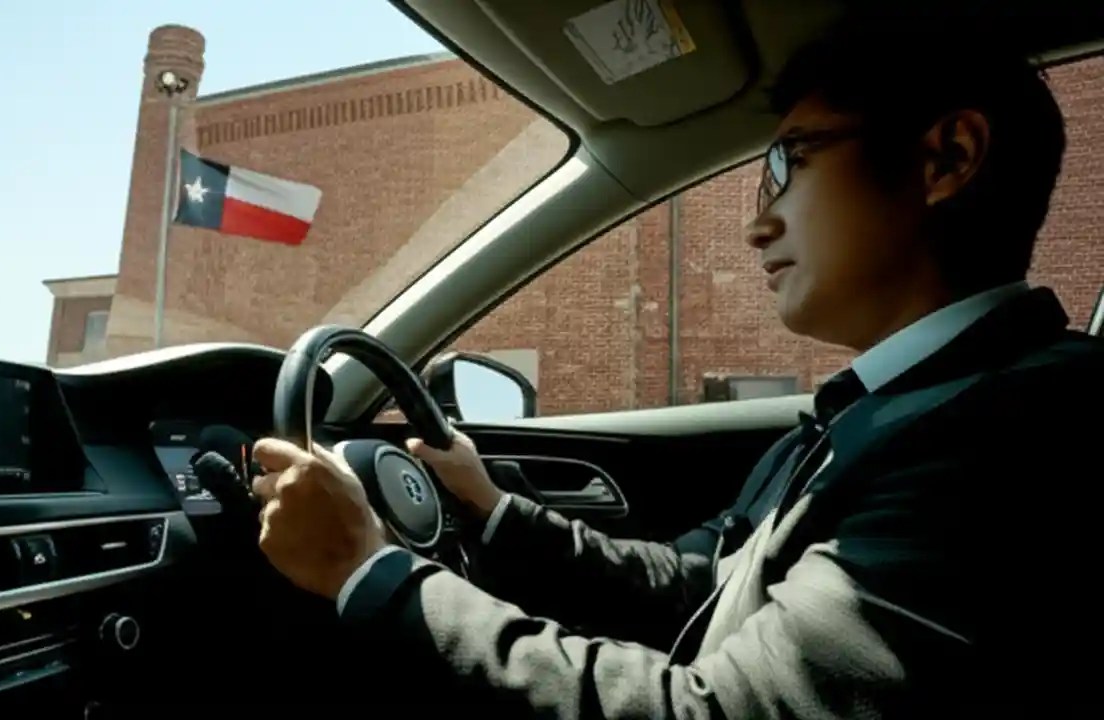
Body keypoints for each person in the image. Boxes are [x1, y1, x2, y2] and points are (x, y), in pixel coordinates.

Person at [250, 11, 1104, 718]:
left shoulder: (1019, 428)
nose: (757, 224)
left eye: (788, 163)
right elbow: (696, 586)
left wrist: (371, 574)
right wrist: (493, 505)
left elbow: (720, 712)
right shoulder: (880, 412)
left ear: (947, 158)